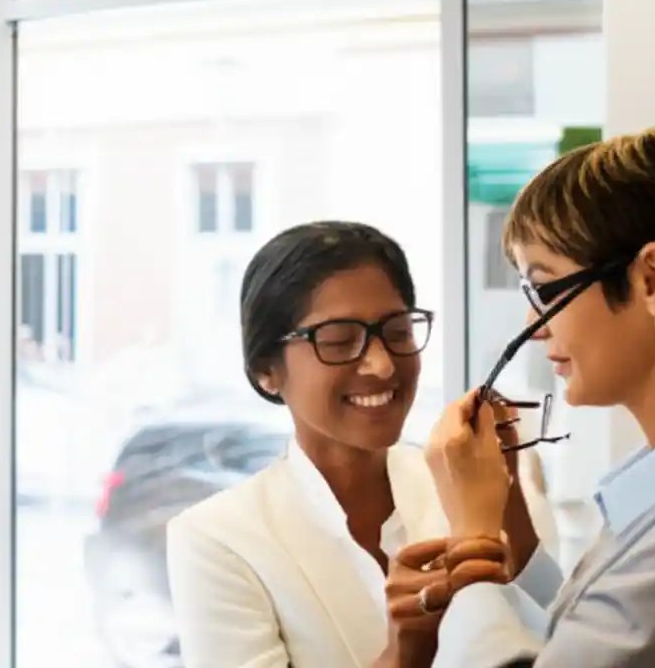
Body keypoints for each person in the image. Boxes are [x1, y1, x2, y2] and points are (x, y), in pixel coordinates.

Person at [165, 221, 558, 668]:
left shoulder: (462, 480)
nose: (382, 366)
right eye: (338, 341)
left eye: (397, 333)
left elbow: (561, 634)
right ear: (266, 369)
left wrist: (506, 500)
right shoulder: (217, 538)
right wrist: (403, 652)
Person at [406, 125, 655, 667]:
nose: (533, 326)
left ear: (654, 280)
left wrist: (473, 542)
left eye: (544, 289)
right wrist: (510, 524)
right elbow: (587, 631)